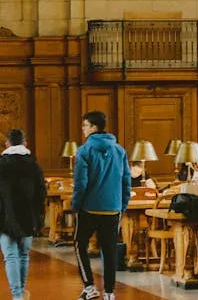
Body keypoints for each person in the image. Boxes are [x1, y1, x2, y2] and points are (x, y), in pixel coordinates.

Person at [73, 111, 131, 300]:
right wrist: (122, 206)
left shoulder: (84, 151)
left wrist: (76, 205)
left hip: (89, 208)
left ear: (93, 128)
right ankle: (109, 293)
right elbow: (126, 181)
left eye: (85, 126)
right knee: (109, 250)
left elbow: (81, 182)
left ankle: (89, 287)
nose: (83, 129)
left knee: (79, 244)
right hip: (113, 208)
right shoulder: (120, 150)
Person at [0, 129, 45, 300]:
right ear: (25, 143)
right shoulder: (34, 165)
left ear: (7, 144)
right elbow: (41, 193)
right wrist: (38, 215)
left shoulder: (1, 164)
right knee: (23, 255)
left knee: (10, 256)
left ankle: (17, 295)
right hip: (28, 216)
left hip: (5, 217)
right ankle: (22, 290)